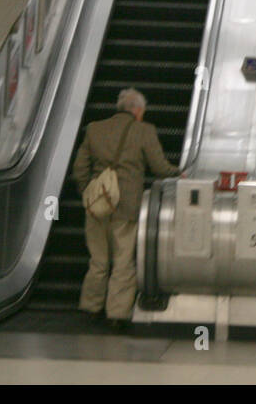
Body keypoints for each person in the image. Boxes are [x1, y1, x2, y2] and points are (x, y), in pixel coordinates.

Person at [73, 88, 180, 327]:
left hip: (97, 205)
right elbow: (160, 168)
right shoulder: (144, 131)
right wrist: (178, 173)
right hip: (127, 205)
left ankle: (91, 308)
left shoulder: (94, 129)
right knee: (123, 261)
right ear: (138, 110)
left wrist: (89, 193)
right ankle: (117, 315)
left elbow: (79, 169)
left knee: (98, 260)